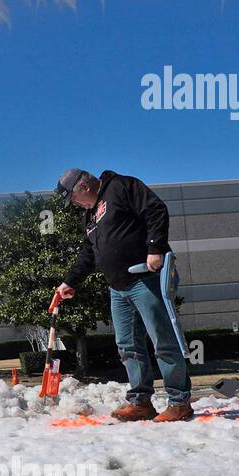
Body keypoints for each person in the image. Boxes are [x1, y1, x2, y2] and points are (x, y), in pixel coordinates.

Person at [53, 168, 192, 422]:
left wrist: (155, 248)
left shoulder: (121, 187)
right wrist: (69, 282)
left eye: (72, 198)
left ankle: (179, 401)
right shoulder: (90, 216)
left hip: (145, 278)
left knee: (162, 340)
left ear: (83, 187)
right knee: (127, 346)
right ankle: (140, 402)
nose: (73, 204)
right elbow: (89, 253)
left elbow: (155, 210)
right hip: (118, 288)